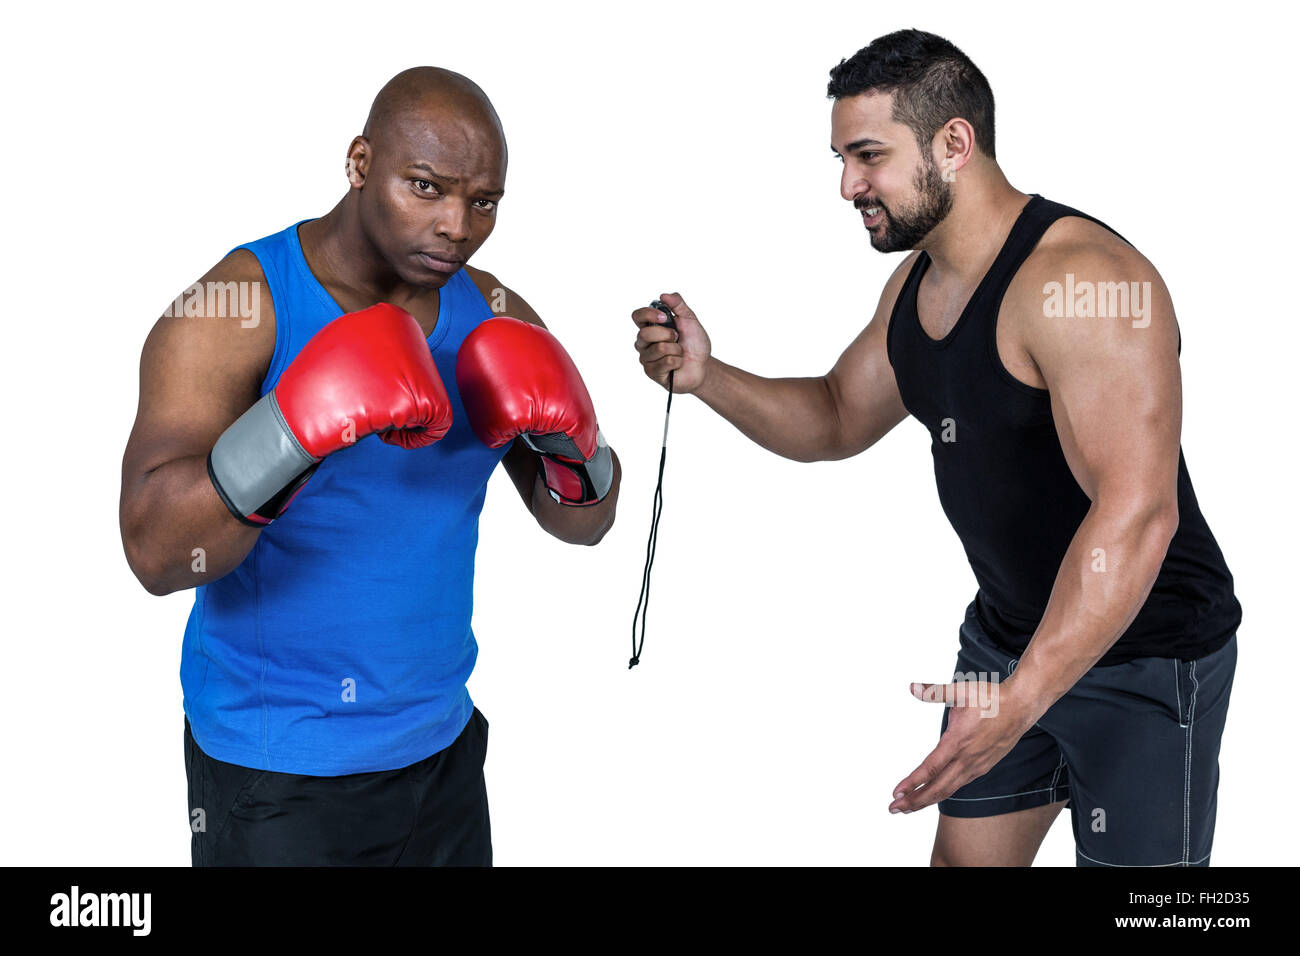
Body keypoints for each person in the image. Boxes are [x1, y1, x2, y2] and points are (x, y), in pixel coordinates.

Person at [630, 29, 1240, 867]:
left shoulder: (1087, 284)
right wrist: (708, 376)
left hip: (1145, 656)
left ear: (955, 142)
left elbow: (1137, 514)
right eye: (842, 159)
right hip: (1005, 641)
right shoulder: (919, 283)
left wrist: (1023, 700)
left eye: (868, 155)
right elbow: (839, 414)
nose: (848, 184)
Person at [119, 66, 620, 866]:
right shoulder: (240, 308)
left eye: (483, 202)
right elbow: (153, 553)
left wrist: (576, 447)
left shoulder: (491, 314)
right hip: (276, 773)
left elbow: (585, 523)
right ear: (359, 163)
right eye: (425, 187)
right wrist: (294, 429)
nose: (457, 226)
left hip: (442, 752)